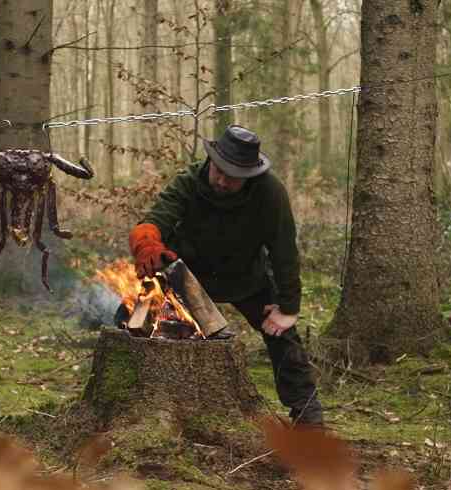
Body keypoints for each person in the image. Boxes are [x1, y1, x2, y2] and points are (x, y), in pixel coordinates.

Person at [128, 124, 324, 426]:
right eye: (218, 171)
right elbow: (157, 218)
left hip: (246, 278)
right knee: (134, 322)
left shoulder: (270, 193)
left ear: (249, 176)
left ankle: (308, 416)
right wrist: (147, 242)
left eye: (232, 177)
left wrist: (288, 308)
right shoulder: (189, 181)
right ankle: (137, 406)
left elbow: (284, 251)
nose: (221, 180)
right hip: (189, 278)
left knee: (284, 338)